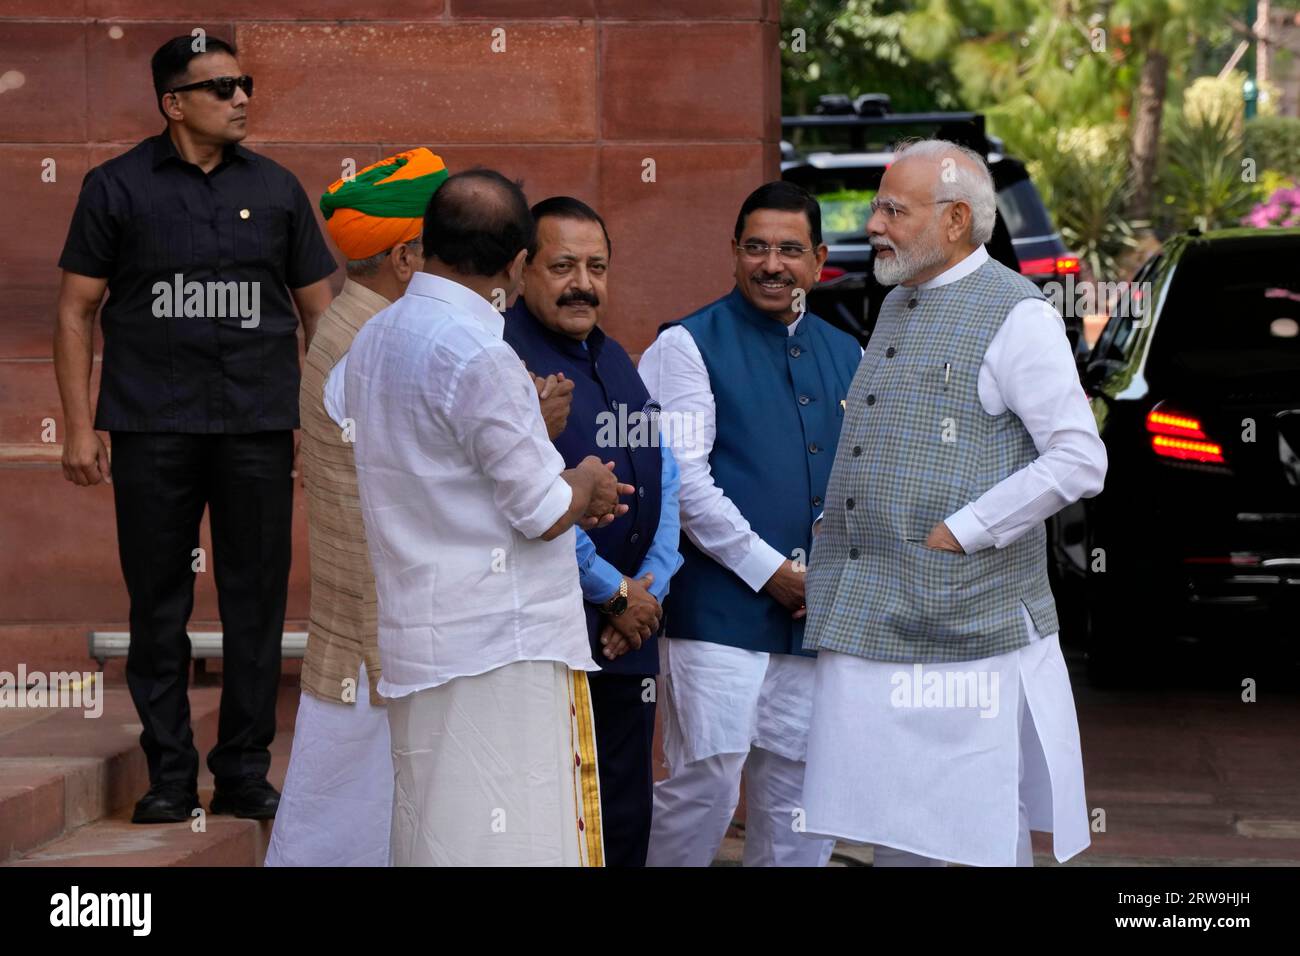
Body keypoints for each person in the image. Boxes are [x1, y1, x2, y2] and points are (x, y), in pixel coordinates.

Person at [801, 138, 1108, 867]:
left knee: (972, 823)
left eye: (891, 209)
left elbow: (1079, 457)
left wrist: (963, 531)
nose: (872, 224)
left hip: (967, 622)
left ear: (954, 219)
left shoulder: (1016, 313)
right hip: (879, 612)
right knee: (900, 824)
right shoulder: (904, 297)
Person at [53, 34, 336, 824]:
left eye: (244, 84)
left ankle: (243, 770)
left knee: (256, 603)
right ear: (174, 103)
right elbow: (77, 310)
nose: (241, 98)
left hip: (256, 427)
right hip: (151, 427)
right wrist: (79, 427)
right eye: (220, 88)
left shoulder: (279, 190)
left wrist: (319, 426)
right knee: (158, 604)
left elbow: (322, 316)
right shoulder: (115, 187)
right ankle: (170, 773)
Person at [325, 169, 632, 866]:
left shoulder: (376, 336)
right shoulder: (480, 353)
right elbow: (544, 510)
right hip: (501, 643)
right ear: (519, 264)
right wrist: (585, 480)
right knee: (511, 839)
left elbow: (343, 412)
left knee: (436, 831)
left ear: (422, 245)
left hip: (421, 635)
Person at [638, 181, 861, 867]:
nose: (773, 264)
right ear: (733, 252)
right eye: (757, 247)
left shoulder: (847, 351)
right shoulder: (686, 345)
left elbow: (856, 482)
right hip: (719, 617)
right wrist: (776, 575)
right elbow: (686, 486)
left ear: (818, 260)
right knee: (704, 786)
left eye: (790, 250)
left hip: (814, 619)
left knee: (801, 797)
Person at [265, 148, 449, 866]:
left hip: (371, 632)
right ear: (408, 256)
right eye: (444, 249)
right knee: (342, 831)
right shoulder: (375, 341)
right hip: (381, 636)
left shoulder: (354, 322)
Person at [503, 196, 682, 867]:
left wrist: (649, 590)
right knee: (561, 819)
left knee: (626, 812)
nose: (584, 283)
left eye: (597, 266)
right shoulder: (505, 360)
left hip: (627, 634)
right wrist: (613, 593)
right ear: (522, 269)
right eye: (564, 265)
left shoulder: (614, 358)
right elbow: (531, 493)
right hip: (555, 636)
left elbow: (670, 478)